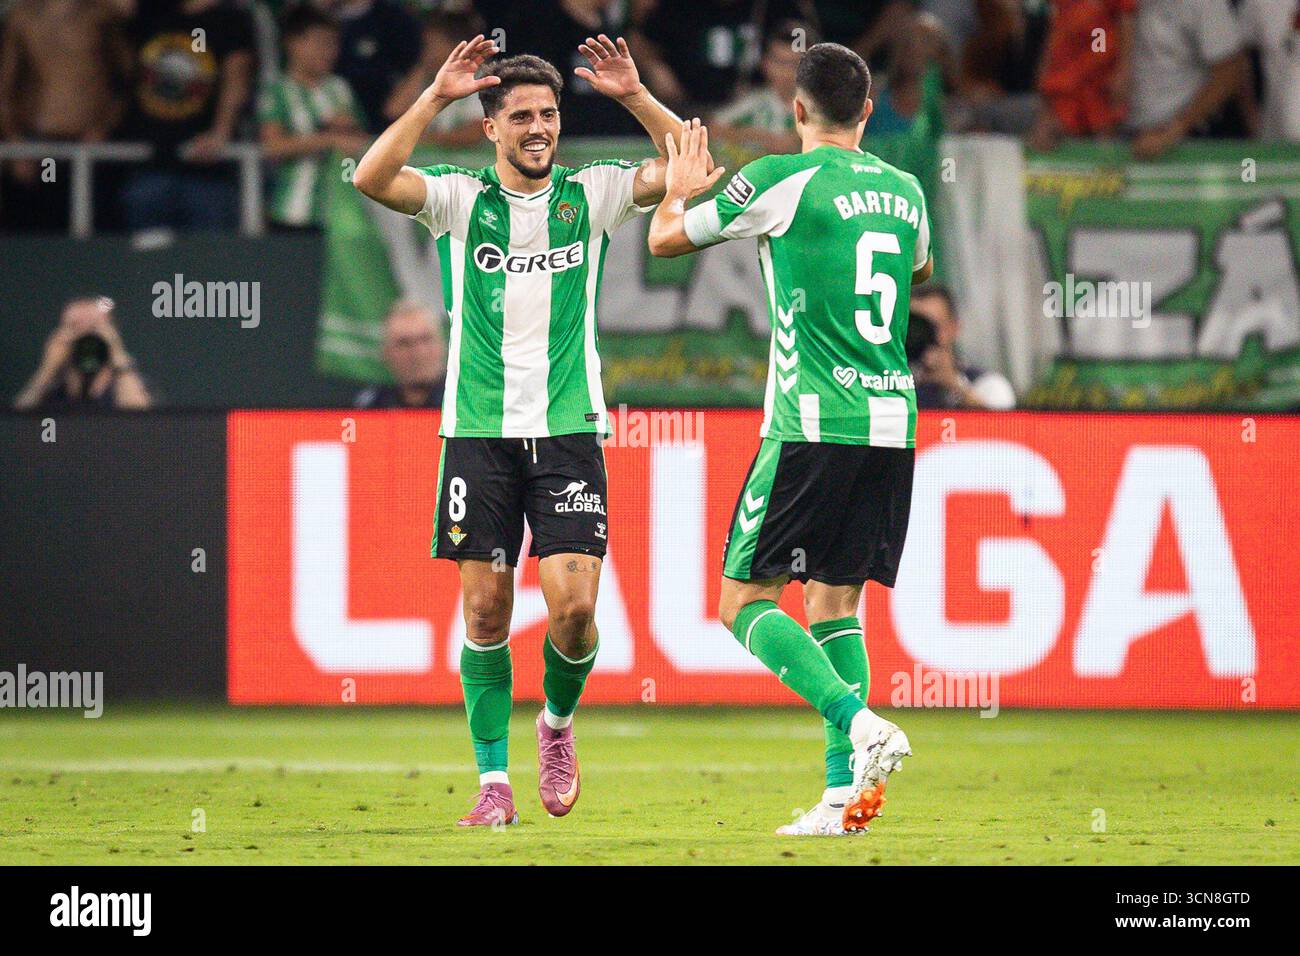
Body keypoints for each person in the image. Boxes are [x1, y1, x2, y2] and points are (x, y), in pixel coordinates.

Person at [352, 34, 690, 827]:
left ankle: (557, 725)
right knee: (485, 613)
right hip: (478, 432)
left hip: (569, 429)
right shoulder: (457, 200)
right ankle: (493, 784)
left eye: (550, 114)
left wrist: (635, 96)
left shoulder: (592, 194)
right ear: (490, 128)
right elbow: (369, 177)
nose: (540, 128)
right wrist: (433, 96)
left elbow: (691, 164)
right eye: (522, 116)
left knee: (573, 610)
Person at [648, 43, 927, 837]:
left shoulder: (780, 177)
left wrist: (678, 189)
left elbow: (666, 239)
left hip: (812, 422)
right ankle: (843, 803)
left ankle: (861, 723)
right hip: (892, 422)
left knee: (742, 602)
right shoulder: (907, 190)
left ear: (795, 110)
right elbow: (919, 267)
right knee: (836, 603)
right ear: (866, 110)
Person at [119, 0, 255, 231]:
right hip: (149, 164)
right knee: (147, 251)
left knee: (209, 251)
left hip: (208, 168)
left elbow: (237, 77)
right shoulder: (150, 11)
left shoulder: (230, 18)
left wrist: (220, 131)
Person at [0, 0, 132, 231]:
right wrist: (16, 144)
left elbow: (126, 81)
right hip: (37, 147)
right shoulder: (21, 19)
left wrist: (104, 128)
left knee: (90, 231)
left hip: (90, 147)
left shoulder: (100, 16)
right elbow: (5, 88)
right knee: (36, 229)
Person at [258, 5, 369, 230]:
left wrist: (350, 130)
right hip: (293, 213)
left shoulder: (340, 89)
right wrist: (329, 139)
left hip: (341, 214)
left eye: (333, 44)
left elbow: (361, 142)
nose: (329, 51)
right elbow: (272, 146)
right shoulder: (277, 91)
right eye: (321, 43)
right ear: (293, 43)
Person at [1127, 0, 1247, 159]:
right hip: (1123, 136)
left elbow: (1230, 70)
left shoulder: (1206, 4)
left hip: (1189, 139)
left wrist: (1175, 130)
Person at [14, 297, 152, 411]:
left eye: (94, 327)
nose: (84, 336)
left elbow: (142, 420)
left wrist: (117, 354)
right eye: (74, 327)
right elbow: (18, 423)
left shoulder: (125, 383)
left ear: (111, 333)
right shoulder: (53, 390)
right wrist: (47, 369)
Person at [383, 5, 487, 147]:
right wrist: (421, 67)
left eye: (433, 43)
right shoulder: (428, 77)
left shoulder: (481, 79)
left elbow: (473, 134)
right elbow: (393, 112)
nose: (426, 49)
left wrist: (422, 138)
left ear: (456, 46)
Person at [709, 20, 807, 156]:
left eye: (794, 64)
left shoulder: (816, 106)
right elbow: (714, 128)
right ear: (765, 64)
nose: (786, 72)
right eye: (780, 62)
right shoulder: (756, 101)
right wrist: (759, 136)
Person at [911, 285, 1016, 409]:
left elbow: (999, 419)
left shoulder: (988, 385)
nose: (920, 335)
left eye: (930, 327)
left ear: (954, 327)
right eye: (912, 327)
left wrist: (953, 384)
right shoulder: (895, 382)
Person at [353, 302, 446, 409]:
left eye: (426, 340)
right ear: (386, 353)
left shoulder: (461, 403)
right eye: (404, 343)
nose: (419, 352)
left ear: (442, 345)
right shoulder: (370, 407)